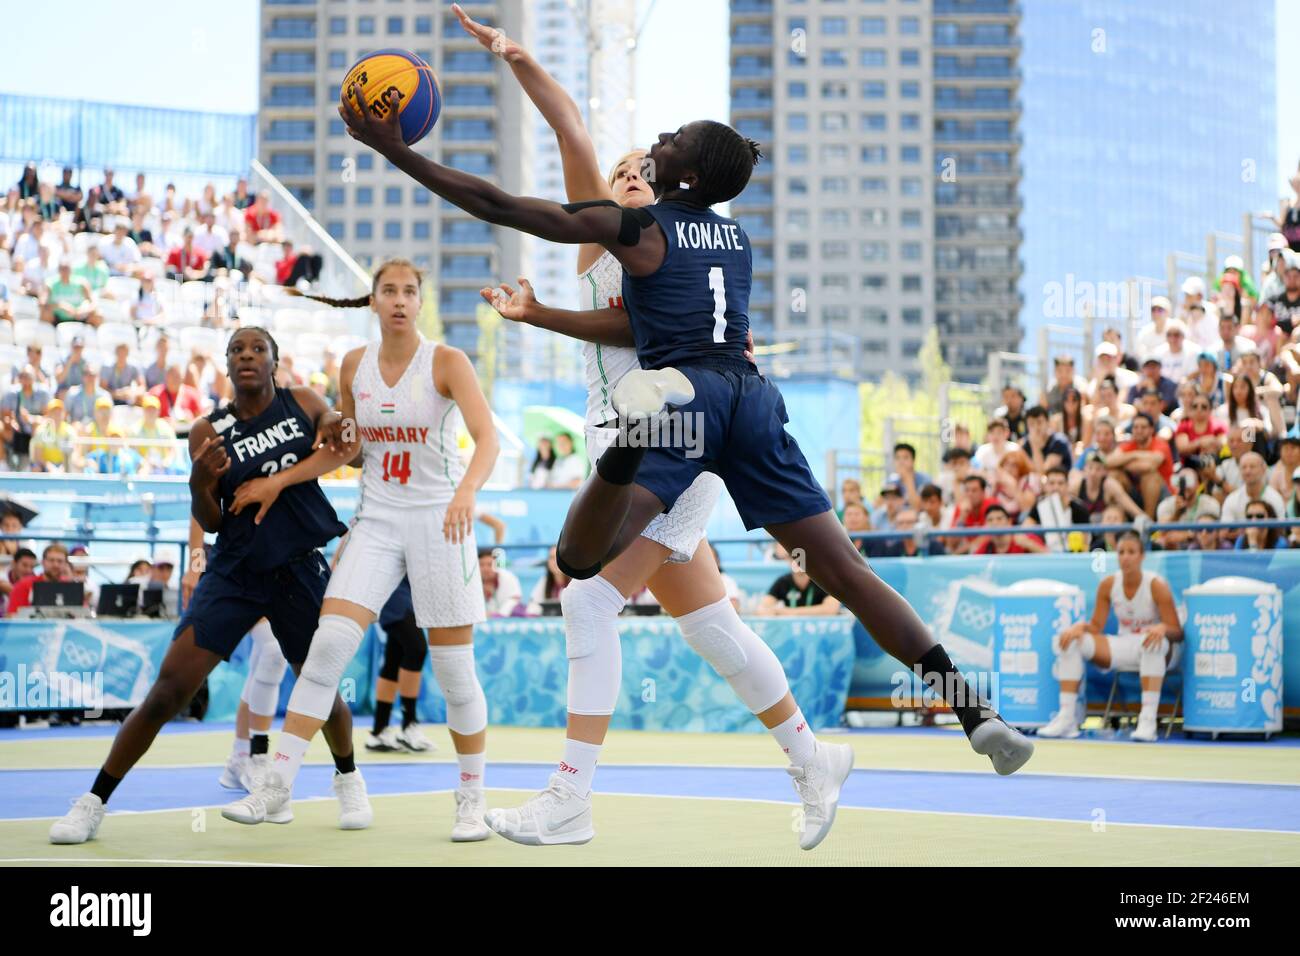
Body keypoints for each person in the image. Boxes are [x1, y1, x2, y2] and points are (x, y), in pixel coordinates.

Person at [342, 27, 1033, 812]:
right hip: (750, 398)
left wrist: (394, 150)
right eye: (634, 157)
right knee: (826, 578)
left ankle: (569, 794)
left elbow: (501, 205)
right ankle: (968, 710)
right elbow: (640, 298)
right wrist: (544, 313)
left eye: (661, 148)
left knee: (580, 563)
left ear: (683, 176)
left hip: (682, 405)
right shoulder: (733, 238)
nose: (648, 150)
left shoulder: (636, 229)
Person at [460, 3, 865, 849]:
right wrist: (518, 58)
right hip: (634, 448)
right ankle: (811, 757)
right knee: (713, 624)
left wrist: (542, 319)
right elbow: (569, 123)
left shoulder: (685, 247)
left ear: (670, 185)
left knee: (588, 605)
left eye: (645, 168)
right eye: (621, 174)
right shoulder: (604, 248)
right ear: (608, 198)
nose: (634, 174)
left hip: (677, 444)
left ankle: (570, 798)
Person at [48, 327, 370, 845]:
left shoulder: (303, 402)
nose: (248, 356)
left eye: (258, 349)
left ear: (274, 360)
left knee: (320, 689)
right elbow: (213, 519)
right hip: (236, 573)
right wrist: (199, 483)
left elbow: (343, 446)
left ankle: (348, 777)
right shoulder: (207, 429)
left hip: (297, 570)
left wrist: (333, 420)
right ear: (226, 365)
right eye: (237, 350)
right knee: (168, 691)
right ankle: (92, 802)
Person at [222, 260, 498, 842]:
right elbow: (347, 452)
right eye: (389, 291)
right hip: (376, 519)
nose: (399, 300)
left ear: (419, 302)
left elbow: (488, 438)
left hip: (437, 519)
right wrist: (280, 479)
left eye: (409, 292)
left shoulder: (447, 362)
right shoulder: (354, 366)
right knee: (326, 650)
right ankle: (274, 787)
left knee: (453, 671)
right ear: (373, 302)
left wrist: (468, 492)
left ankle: (471, 798)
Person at [1038, 533, 1182, 742]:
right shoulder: (1108, 584)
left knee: (1151, 643)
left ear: (1142, 556)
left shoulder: (1156, 584)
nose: (1125, 557)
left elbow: (1177, 631)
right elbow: (1096, 626)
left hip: (1161, 649)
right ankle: (1067, 718)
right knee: (1072, 641)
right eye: (1121, 552)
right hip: (1126, 645)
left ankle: (1147, 721)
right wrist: (1079, 627)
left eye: (1131, 552)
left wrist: (1161, 627)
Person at [366, 578, 435, 753]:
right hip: (392, 587)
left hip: (406, 589)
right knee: (416, 649)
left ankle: (379, 731)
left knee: (394, 658)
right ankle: (409, 725)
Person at [1021, 466, 1092, 551]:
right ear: (1046, 486)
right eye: (1052, 483)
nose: (1056, 487)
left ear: (1067, 485)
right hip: (1047, 557)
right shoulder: (1040, 506)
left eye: (1060, 483)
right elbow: (1021, 535)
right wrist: (1042, 551)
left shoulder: (1079, 509)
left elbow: (1085, 543)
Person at [1220, 452, 1284, 543]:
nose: (1247, 471)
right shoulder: (1232, 499)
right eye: (1244, 467)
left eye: (1252, 467)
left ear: (1263, 469)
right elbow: (1224, 533)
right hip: (1240, 549)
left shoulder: (1275, 498)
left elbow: (1280, 530)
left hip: (1269, 547)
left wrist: (1243, 532)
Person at [6, 542, 74, 616]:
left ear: (66, 564)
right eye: (51, 560)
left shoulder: (70, 587)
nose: (55, 565)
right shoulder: (23, 585)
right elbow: (10, 616)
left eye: (60, 561)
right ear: (43, 562)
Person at [758, 557, 840, 615]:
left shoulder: (822, 580)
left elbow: (832, 609)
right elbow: (762, 609)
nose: (797, 561)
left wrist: (790, 612)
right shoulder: (783, 581)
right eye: (793, 557)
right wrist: (774, 611)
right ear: (788, 560)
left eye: (802, 558)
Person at [972, 504, 1046, 555]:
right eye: (990, 520)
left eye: (999, 519)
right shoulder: (986, 546)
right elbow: (972, 562)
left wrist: (1030, 545)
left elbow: (1049, 556)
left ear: (1009, 522)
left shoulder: (1026, 537)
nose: (994, 523)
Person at [479, 547, 523, 617]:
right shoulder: (473, 582)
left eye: (489, 565)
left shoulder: (509, 578)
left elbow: (513, 601)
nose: (485, 569)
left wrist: (496, 615)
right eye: (481, 565)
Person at [525, 545, 569, 615]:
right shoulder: (544, 581)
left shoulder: (575, 583)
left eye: (558, 557)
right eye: (551, 558)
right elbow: (533, 604)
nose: (555, 562)